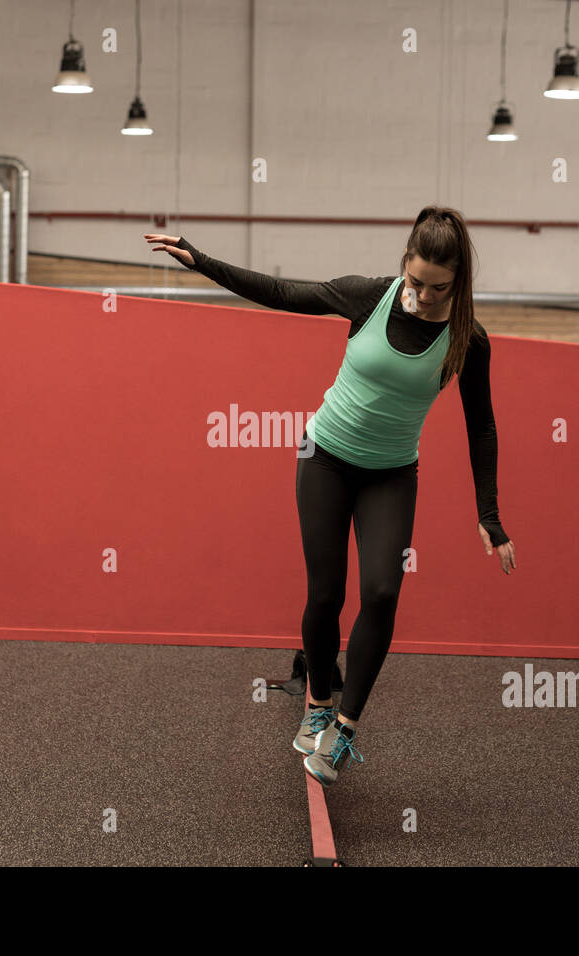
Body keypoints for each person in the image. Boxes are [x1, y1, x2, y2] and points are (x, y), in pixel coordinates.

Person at [145, 205, 515, 788]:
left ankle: (342, 729)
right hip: (325, 457)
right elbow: (284, 291)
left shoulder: (469, 340)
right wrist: (204, 262)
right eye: (415, 281)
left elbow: (482, 425)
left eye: (438, 287)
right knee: (325, 596)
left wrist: (488, 513)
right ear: (404, 266)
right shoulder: (368, 297)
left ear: (459, 283)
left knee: (382, 591)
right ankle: (318, 698)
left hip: (391, 472)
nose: (422, 294)